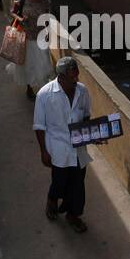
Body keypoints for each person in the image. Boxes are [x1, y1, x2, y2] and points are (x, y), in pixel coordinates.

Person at [33, 56, 92, 233]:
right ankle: (52, 199)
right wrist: (43, 151)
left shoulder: (82, 91)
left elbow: (86, 116)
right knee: (59, 182)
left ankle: (73, 215)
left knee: (78, 185)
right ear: (61, 76)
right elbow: (39, 126)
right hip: (58, 149)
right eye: (72, 76)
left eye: (77, 75)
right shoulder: (44, 94)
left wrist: (91, 134)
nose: (76, 79)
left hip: (78, 148)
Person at [10, 0, 53, 99]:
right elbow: (13, 11)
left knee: (44, 65)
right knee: (29, 65)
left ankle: (43, 92)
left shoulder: (45, 1)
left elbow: (47, 18)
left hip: (40, 37)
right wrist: (21, 19)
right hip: (26, 38)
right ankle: (29, 88)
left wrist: (47, 32)